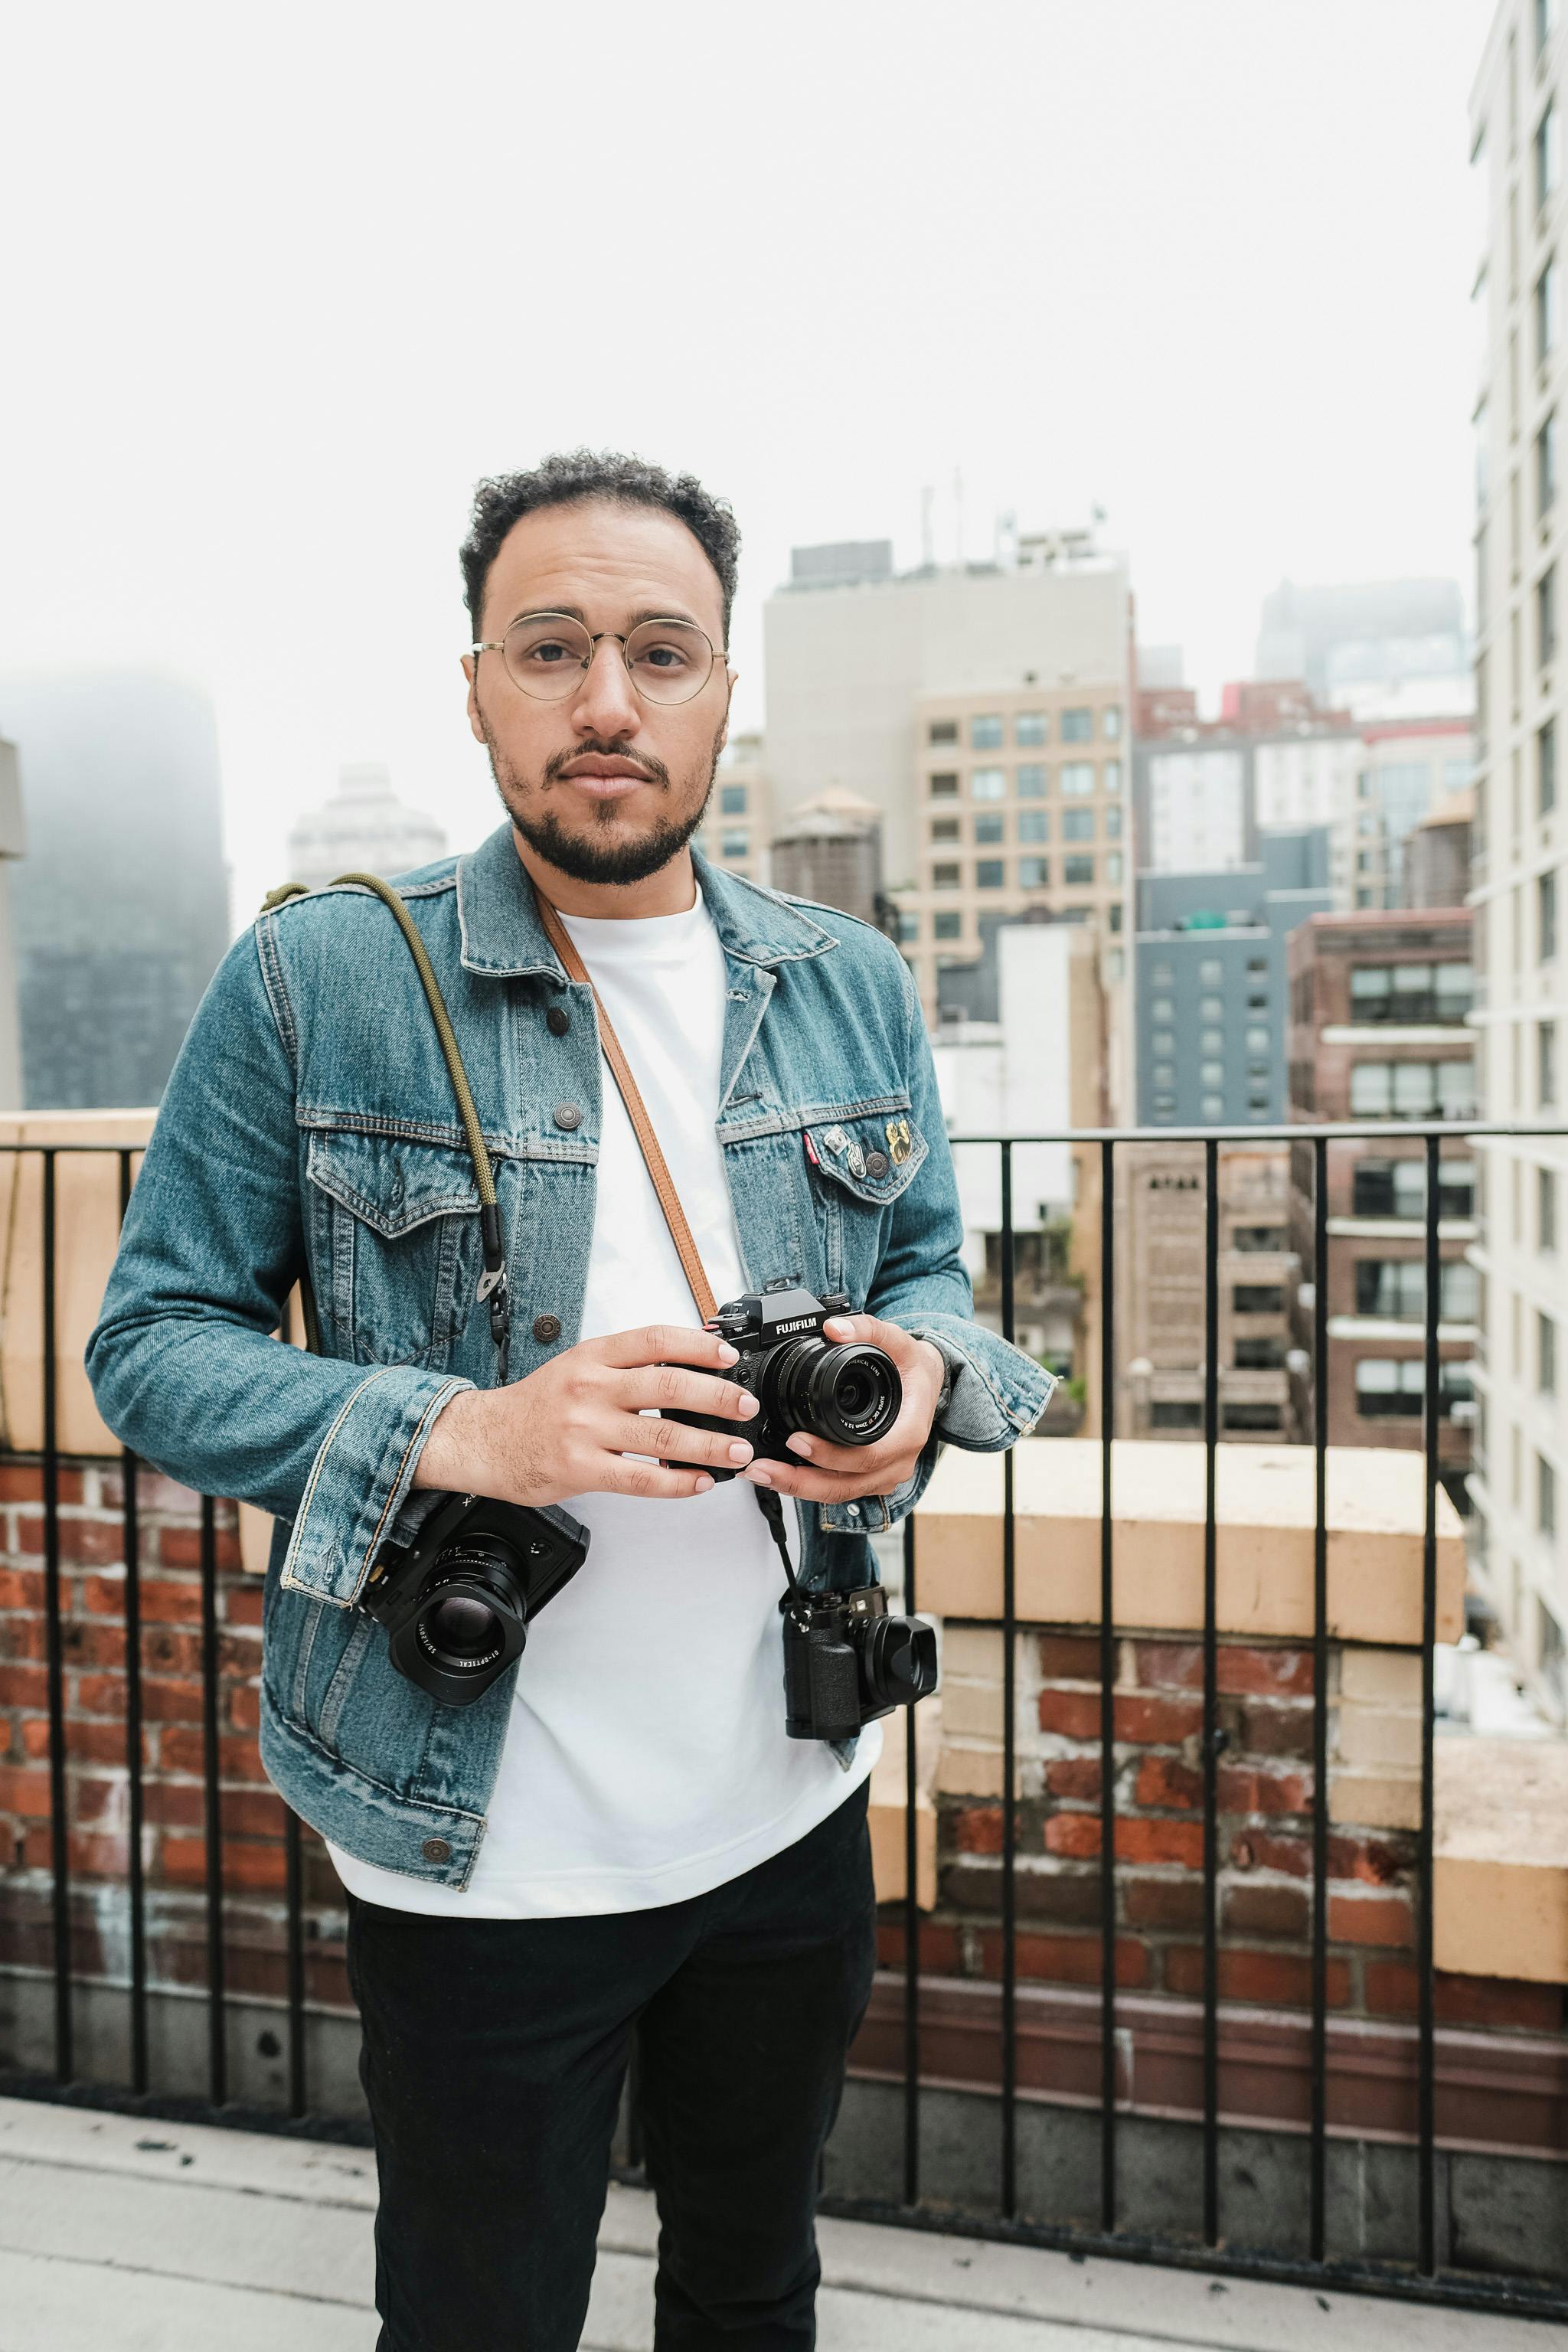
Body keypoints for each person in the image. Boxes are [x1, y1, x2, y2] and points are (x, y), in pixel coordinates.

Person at [87, 449, 1052, 2351]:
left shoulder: (847, 983)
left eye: (660, 652)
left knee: (752, 2288)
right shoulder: (318, 976)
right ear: (476, 684)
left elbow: (932, 1272)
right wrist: (469, 1432)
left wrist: (921, 1379)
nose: (607, 701)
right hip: (476, 1839)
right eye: (553, 647)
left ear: (719, 688)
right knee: (477, 2315)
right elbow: (152, 1345)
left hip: (792, 1793)